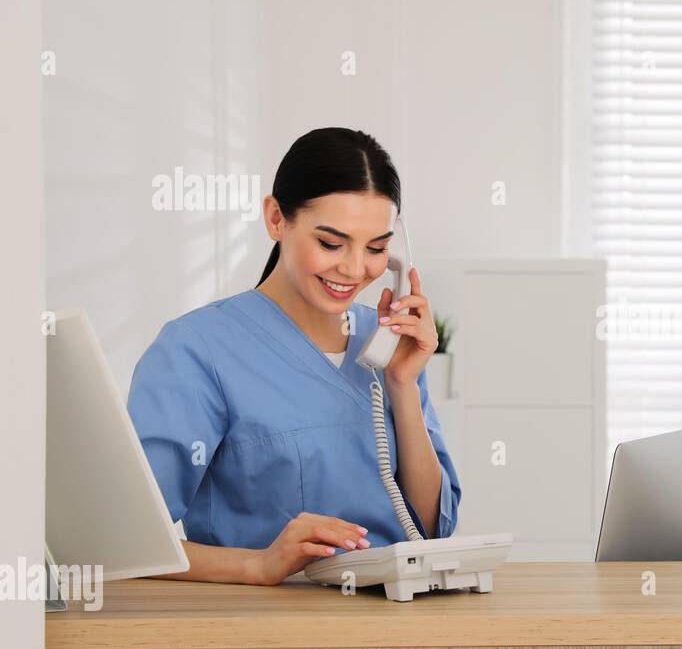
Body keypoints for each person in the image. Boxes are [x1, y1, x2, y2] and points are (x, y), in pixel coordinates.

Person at [127, 127, 460, 585]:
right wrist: (257, 564)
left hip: (398, 622)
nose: (354, 268)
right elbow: (131, 542)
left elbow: (431, 528)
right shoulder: (196, 350)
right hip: (271, 637)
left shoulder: (388, 345)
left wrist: (403, 384)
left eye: (377, 248)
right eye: (330, 243)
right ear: (276, 219)